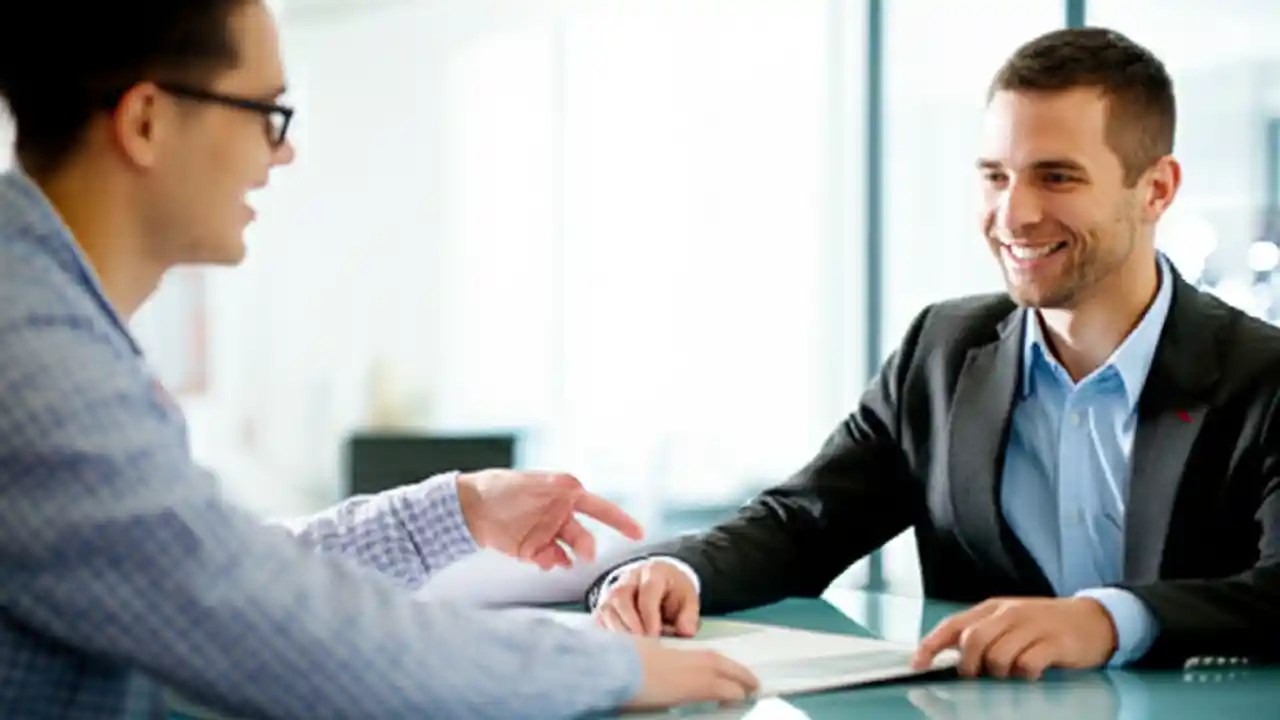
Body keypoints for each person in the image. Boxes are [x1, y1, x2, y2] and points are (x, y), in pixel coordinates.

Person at [0, 2, 758, 718]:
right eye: (267, 113)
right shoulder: (29, 353)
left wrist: (452, 514)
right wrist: (613, 670)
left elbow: (193, 563)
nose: (283, 151)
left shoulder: (45, 314)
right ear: (146, 121)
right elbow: (261, 622)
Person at [590, 26, 1280, 679]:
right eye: (995, 176)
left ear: (1156, 189)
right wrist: (677, 574)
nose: (1014, 215)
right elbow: (802, 526)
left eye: (1057, 178)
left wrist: (1107, 621)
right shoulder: (942, 354)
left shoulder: (1264, 378)